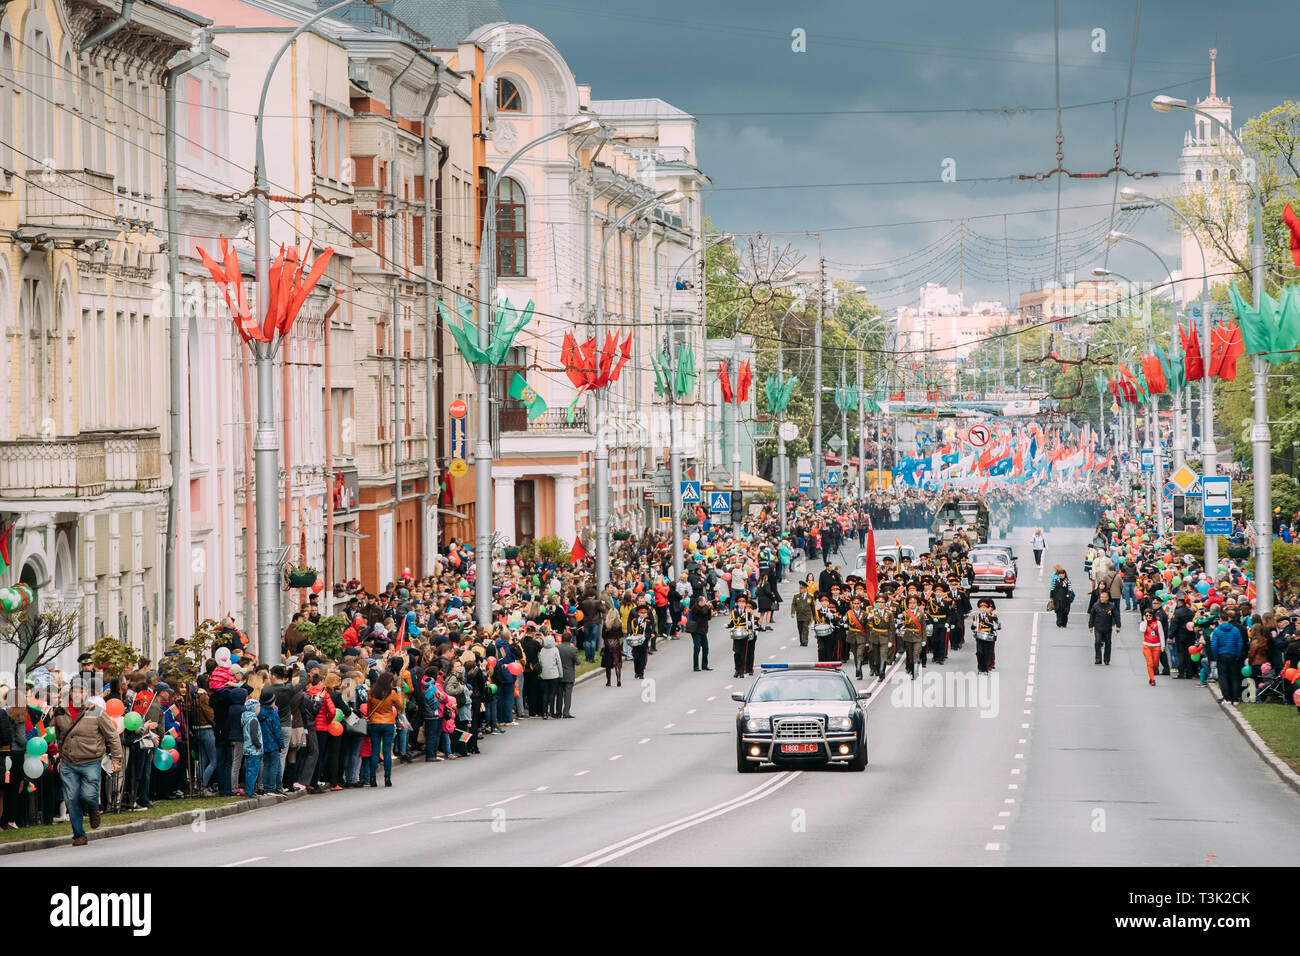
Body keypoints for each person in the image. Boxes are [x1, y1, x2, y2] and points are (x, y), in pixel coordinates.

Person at [53, 679, 123, 846]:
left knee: (89, 796)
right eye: (74, 691)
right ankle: (79, 835)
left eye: (81, 691)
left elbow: (112, 735)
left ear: (86, 693)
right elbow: (59, 737)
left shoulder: (95, 711)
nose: (77, 694)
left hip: (91, 761)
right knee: (71, 799)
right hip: (69, 762)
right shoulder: (60, 712)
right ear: (70, 692)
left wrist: (116, 759)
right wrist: (60, 757)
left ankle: (93, 809)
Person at [1211, 611, 1245, 703]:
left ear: (1220, 619)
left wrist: (1215, 655)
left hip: (1221, 655)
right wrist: (1237, 654)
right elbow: (1239, 643)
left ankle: (1227, 698)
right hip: (1233, 654)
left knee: (1223, 677)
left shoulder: (1217, 630)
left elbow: (1214, 645)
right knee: (1234, 677)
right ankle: (1235, 698)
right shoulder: (1235, 630)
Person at [865, 594, 895, 680]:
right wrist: (869, 617)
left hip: (885, 637)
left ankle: (882, 672)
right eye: (878, 602)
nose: (880, 604)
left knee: (883, 655)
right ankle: (877, 669)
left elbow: (892, 628)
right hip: (874, 637)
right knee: (876, 657)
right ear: (876, 603)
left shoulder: (889, 614)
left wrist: (891, 640)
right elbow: (867, 623)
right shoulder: (873, 612)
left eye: (882, 602)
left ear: (885, 603)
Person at [1088, 589, 1121, 665]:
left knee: (1108, 643)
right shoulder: (1096, 605)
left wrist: (1118, 626)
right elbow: (1092, 616)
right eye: (1101, 597)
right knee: (1097, 642)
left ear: (1107, 598)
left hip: (1108, 628)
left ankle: (1107, 659)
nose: (1102, 599)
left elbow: (1116, 616)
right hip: (1098, 627)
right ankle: (1098, 658)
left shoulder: (1111, 606)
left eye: (1104, 597)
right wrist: (1090, 626)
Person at [972, 597, 1000, 673]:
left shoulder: (991, 617)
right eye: (981, 607)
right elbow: (973, 626)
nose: (983, 609)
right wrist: (974, 627)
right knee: (979, 652)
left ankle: (985, 669)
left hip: (988, 637)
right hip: (979, 637)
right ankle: (980, 668)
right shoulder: (976, 617)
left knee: (987, 653)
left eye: (984, 608)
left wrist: (993, 625)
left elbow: (997, 627)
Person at [687, 591, 712, 672]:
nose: (705, 603)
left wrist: (709, 608)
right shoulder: (695, 607)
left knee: (706, 648)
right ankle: (696, 666)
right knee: (697, 649)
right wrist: (707, 607)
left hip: (703, 631)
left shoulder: (704, 607)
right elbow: (702, 612)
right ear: (700, 602)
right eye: (704, 601)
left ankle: (704, 665)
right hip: (696, 631)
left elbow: (708, 617)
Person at [556, 631, 580, 718]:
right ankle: (566, 712)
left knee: (559, 694)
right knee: (568, 694)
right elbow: (578, 662)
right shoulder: (573, 649)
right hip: (569, 674)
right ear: (570, 639)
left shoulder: (557, 647)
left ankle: (558, 712)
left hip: (559, 673)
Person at [1140, 609, 1165, 687]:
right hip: (1146, 646)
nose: (1148, 617)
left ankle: (1151, 676)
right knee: (1149, 663)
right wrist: (1145, 621)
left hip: (1156, 646)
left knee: (1155, 664)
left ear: (1152, 615)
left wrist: (1163, 645)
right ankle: (1152, 679)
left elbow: (1161, 634)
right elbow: (1142, 630)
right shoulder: (1143, 623)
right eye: (1146, 615)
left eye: (1150, 615)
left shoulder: (1158, 623)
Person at [602, 602, 624, 687]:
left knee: (608, 664)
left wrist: (606, 640)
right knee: (617, 662)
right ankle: (618, 679)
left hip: (608, 643)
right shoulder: (619, 624)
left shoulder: (606, 624)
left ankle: (609, 681)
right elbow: (620, 634)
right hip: (616, 643)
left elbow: (603, 635)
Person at [626, 605, 651, 681]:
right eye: (642, 613)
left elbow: (649, 632)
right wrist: (629, 633)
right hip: (636, 641)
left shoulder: (648, 622)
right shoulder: (634, 621)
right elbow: (631, 629)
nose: (644, 614)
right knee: (636, 657)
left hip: (644, 642)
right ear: (638, 613)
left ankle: (641, 673)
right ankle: (637, 671)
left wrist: (646, 637)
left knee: (643, 657)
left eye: (645, 613)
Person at [791, 582, 814, 648]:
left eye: (802, 588)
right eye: (800, 588)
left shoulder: (810, 596)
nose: (800, 589)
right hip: (799, 615)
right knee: (800, 628)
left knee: (805, 628)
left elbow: (812, 607)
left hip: (807, 615)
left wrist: (814, 616)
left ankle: (805, 641)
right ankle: (801, 641)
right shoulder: (796, 596)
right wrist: (793, 612)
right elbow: (793, 604)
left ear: (805, 589)